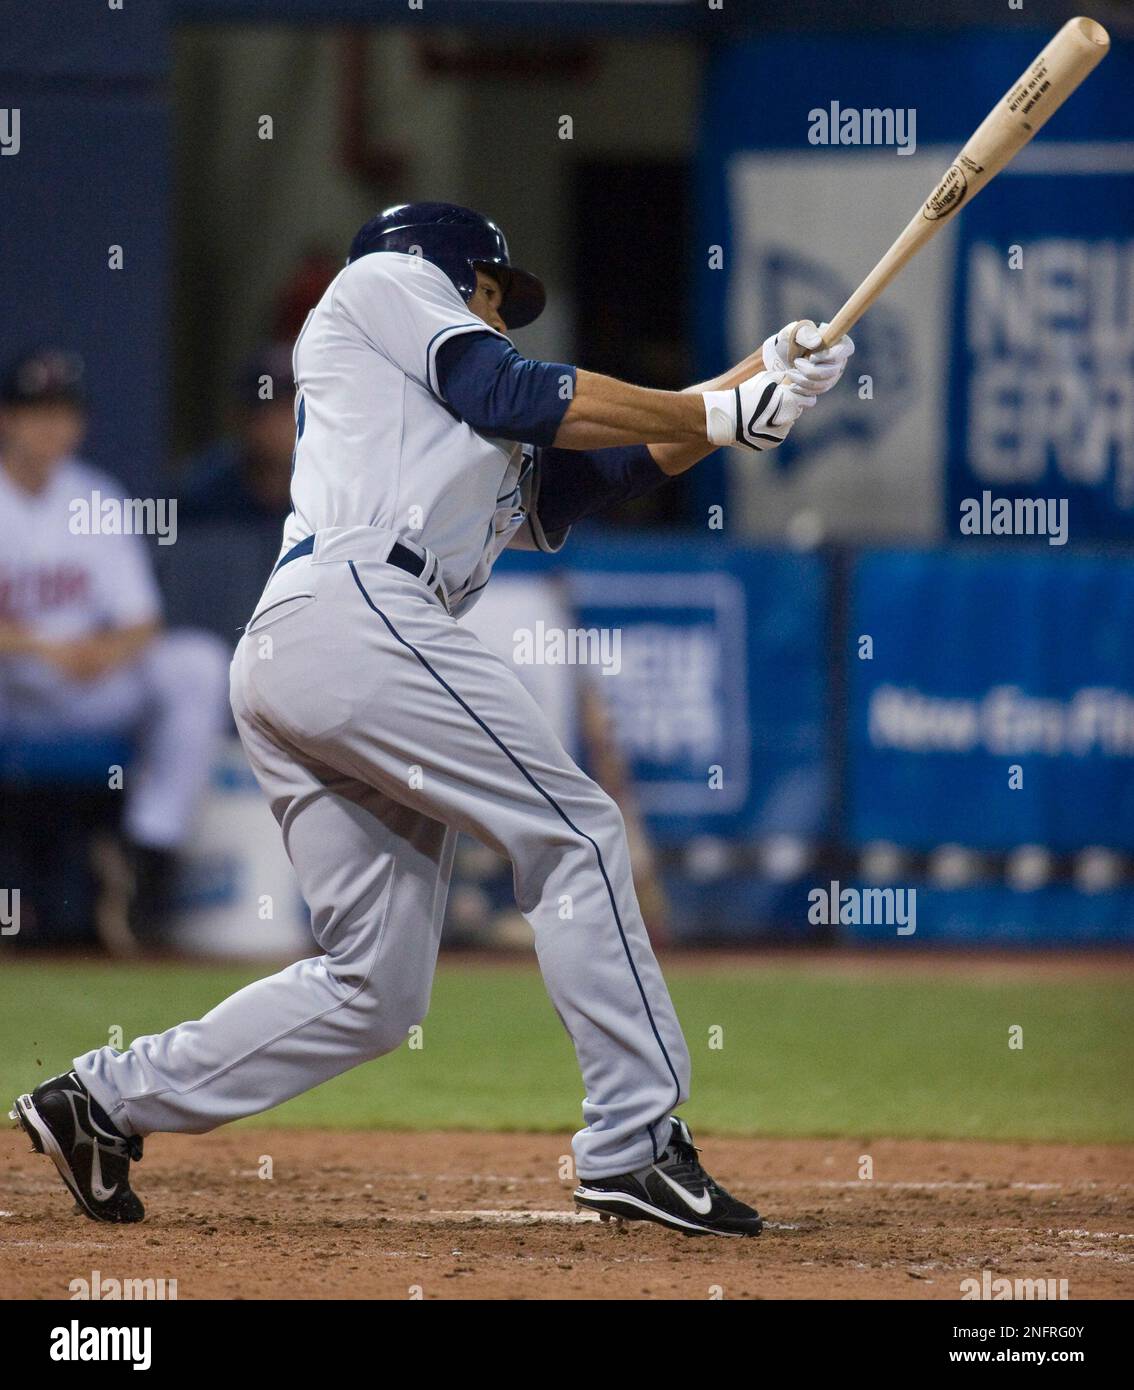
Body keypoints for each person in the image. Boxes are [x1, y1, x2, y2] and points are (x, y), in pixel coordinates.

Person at [11, 204, 852, 1235]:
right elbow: (513, 389)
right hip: (357, 610)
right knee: (579, 828)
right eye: (497, 294)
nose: (505, 317)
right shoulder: (386, 286)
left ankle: (101, 1100)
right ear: (455, 273)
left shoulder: (451, 423)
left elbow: (607, 467)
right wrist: (716, 414)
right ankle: (633, 1141)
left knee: (373, 990)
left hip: (318, 648)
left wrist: (759, 376)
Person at [0, 347, 230, 946]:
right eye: (34, 410)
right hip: (11, 689)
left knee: (197, 664)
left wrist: (104, 653)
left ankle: (146, 858)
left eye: (62, 411)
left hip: (84, 685)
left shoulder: (95, 495)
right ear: (7, 418)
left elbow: (140, 621)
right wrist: (40, 646)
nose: (50, 425)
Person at [177, 342, 297, 525]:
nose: (289, 425)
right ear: (243, 418)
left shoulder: (337, 491)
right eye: (276, 410)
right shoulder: (200, 495)